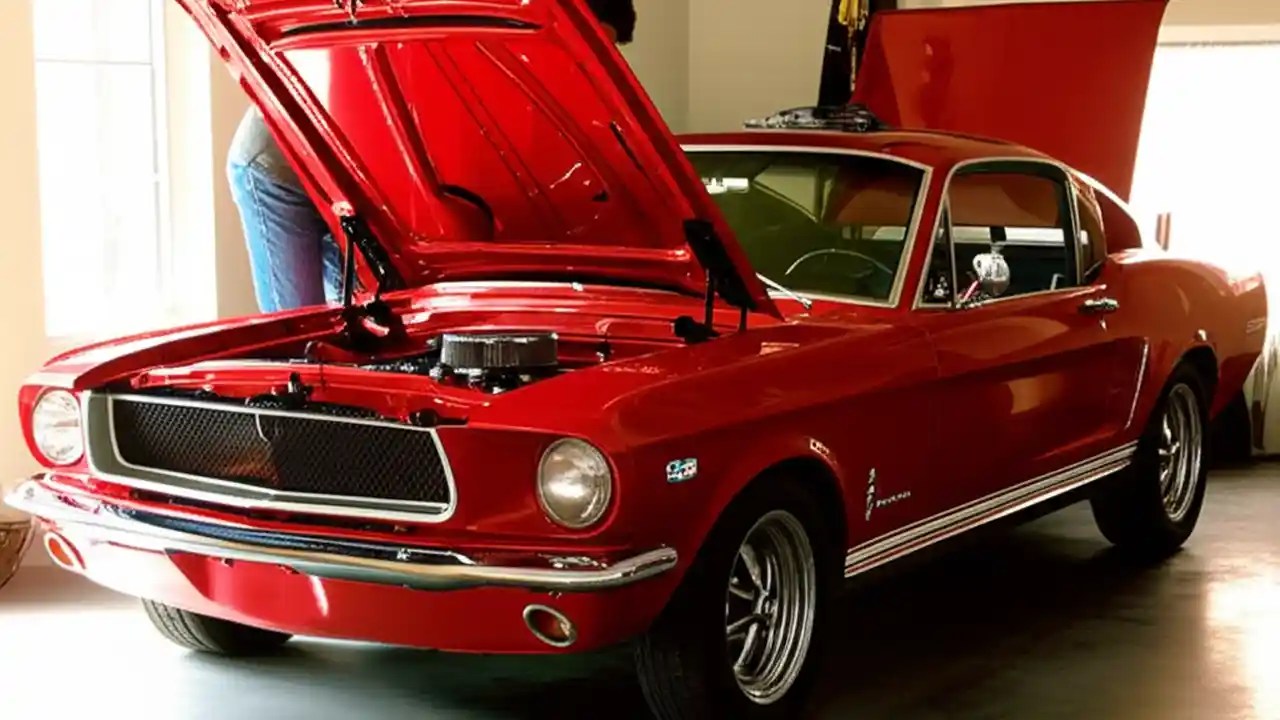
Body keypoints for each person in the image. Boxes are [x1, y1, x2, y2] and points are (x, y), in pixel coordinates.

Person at [226, 0, 637, 314]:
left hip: (346, 168)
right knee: (299, 335)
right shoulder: (472, 43)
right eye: (590, 48)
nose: (589, 68)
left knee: (359, 330)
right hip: (276, 167)